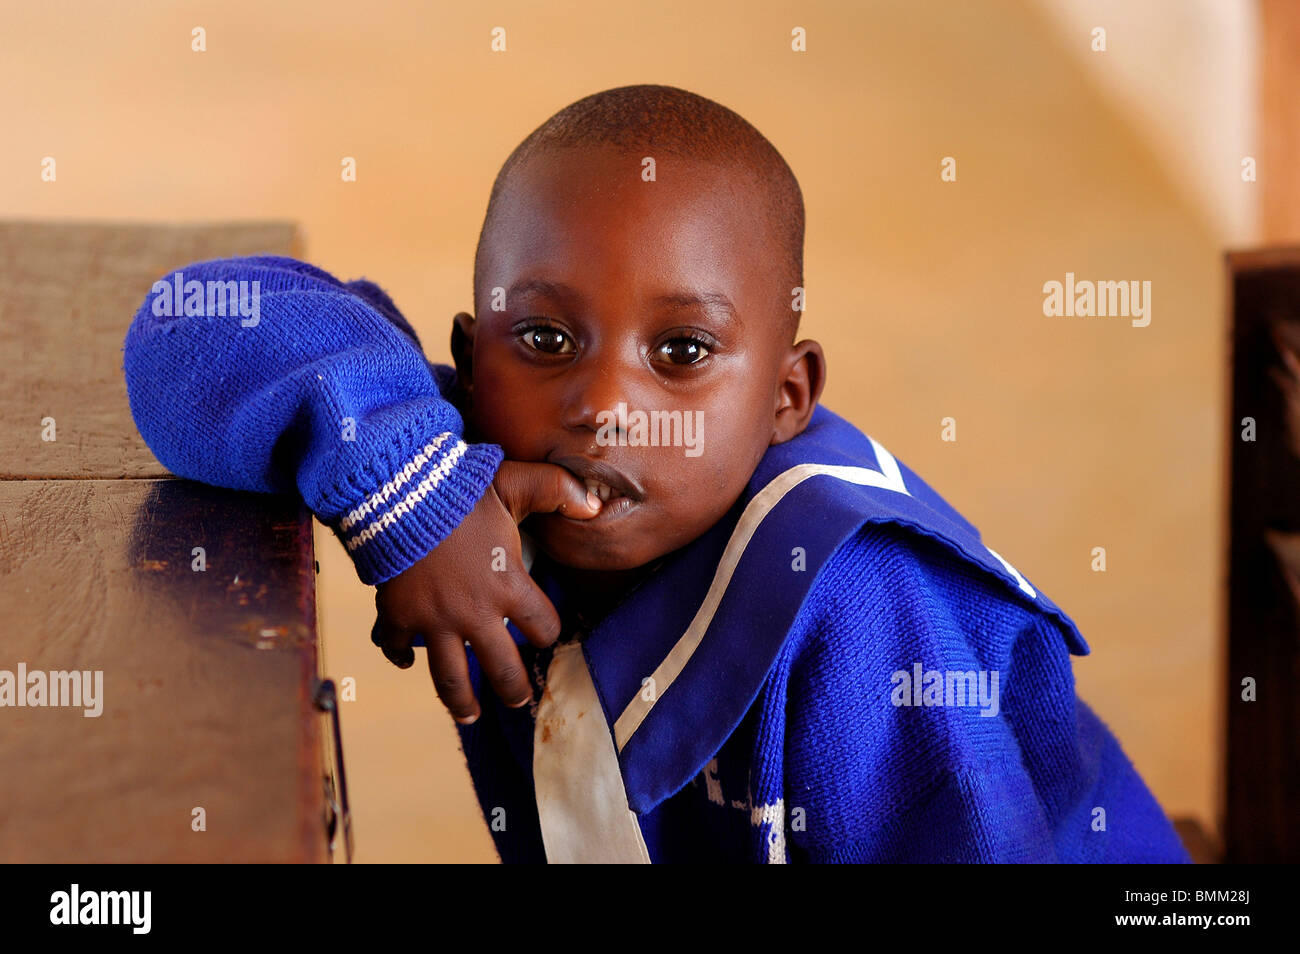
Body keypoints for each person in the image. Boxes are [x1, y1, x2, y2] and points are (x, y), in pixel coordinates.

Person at [124, 84, 1190, 863]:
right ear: (473, 352)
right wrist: (407, 495)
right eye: (543, 338)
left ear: (786, 394)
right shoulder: (450, 461)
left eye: (680, 354)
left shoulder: (866, 612)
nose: (601, 404)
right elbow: (182, 327)